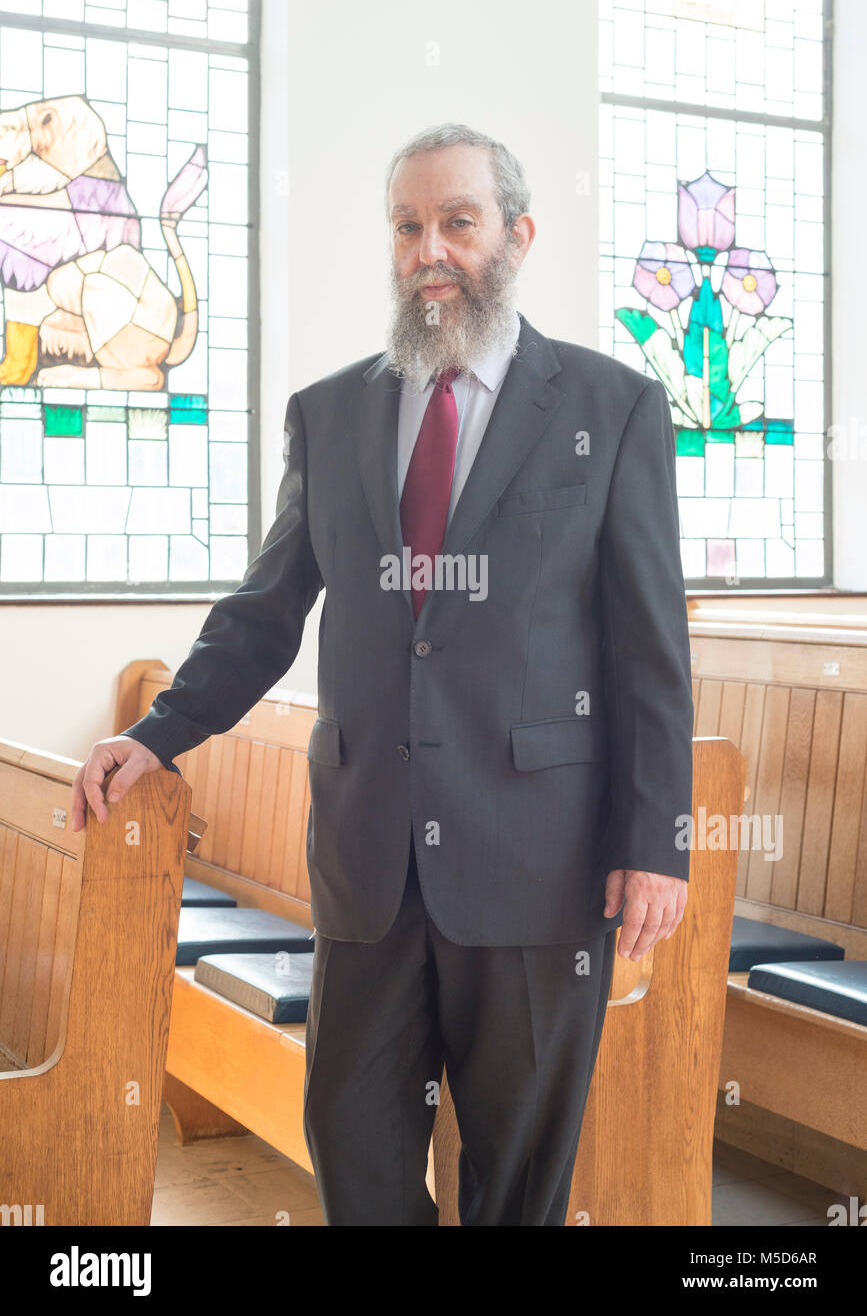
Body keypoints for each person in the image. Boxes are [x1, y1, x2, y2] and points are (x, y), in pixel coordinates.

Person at [72, 122, 693, 1227]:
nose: (429, 249)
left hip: (540, 867)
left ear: (517, 234)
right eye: (407, 226)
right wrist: (157, 733)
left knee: (517, 1179)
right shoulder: (334, 411)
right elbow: (267, 611)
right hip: (370, 862)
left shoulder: (612, 410)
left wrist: (656, 843)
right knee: (353, 1149)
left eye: (457, 220)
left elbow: (649, 650)